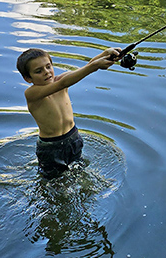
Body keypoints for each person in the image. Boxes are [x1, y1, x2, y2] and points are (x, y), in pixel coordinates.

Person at [17, 46, 121, 179]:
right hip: (51, 147)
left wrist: (106, 54)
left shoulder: (60, 81)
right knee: (53, 182)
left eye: (48, 66)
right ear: (28, 78)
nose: (46, 72)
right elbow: (64, 83)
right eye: (39, 71)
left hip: (73, 138)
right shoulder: (32, 93)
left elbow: (85, 67)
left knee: (78, 173)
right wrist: (95, 66)